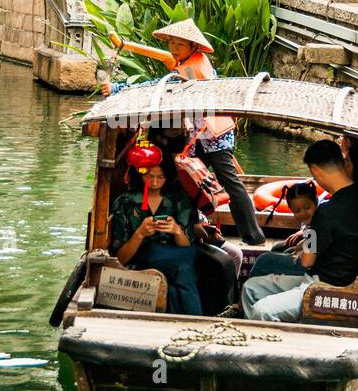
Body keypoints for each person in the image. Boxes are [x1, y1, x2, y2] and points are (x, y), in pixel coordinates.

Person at [101, 18, 265, 245]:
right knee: (183, 178)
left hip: (214, 134)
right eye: (171, 43)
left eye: (179, 45)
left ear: (192, 46)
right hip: (202, 134)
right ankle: (191, 224)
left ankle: (253, 236)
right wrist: (126, 45)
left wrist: (119, 88)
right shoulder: (194, 59)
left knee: (230, 182)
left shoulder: (192, 67)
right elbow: (167, 59)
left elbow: (159, 86)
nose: (174, 49)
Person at [241, 140, 358, 322]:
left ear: (315, 170)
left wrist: (305, 242)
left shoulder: (325, 212)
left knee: (262, 311)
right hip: (331, 278)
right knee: (251, 287)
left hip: (323, 287)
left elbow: (307, 261)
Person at [110, 159, 202, 316]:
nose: (154, 182)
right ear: (140, 175)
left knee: (175, 286)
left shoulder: (178, 200)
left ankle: (190, 321)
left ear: (168, 177)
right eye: (149, 176)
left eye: (160, 177)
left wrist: (177, 231)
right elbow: (120, 259)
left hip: (177, 258)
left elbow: (187, 247)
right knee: (183, 268)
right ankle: (196, 319)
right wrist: (139, 234)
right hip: (141, 260)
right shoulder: (125, 202)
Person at [247, 182, 319, 280]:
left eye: (307, 208)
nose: (303, 213)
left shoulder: (317, 226)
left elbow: (307, 262)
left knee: (264, 261)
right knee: (279, 248)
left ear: (315, 203)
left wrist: (302, 247)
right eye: (297, 211)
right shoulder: (312, 228)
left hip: (317, 272)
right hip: (311, 260)